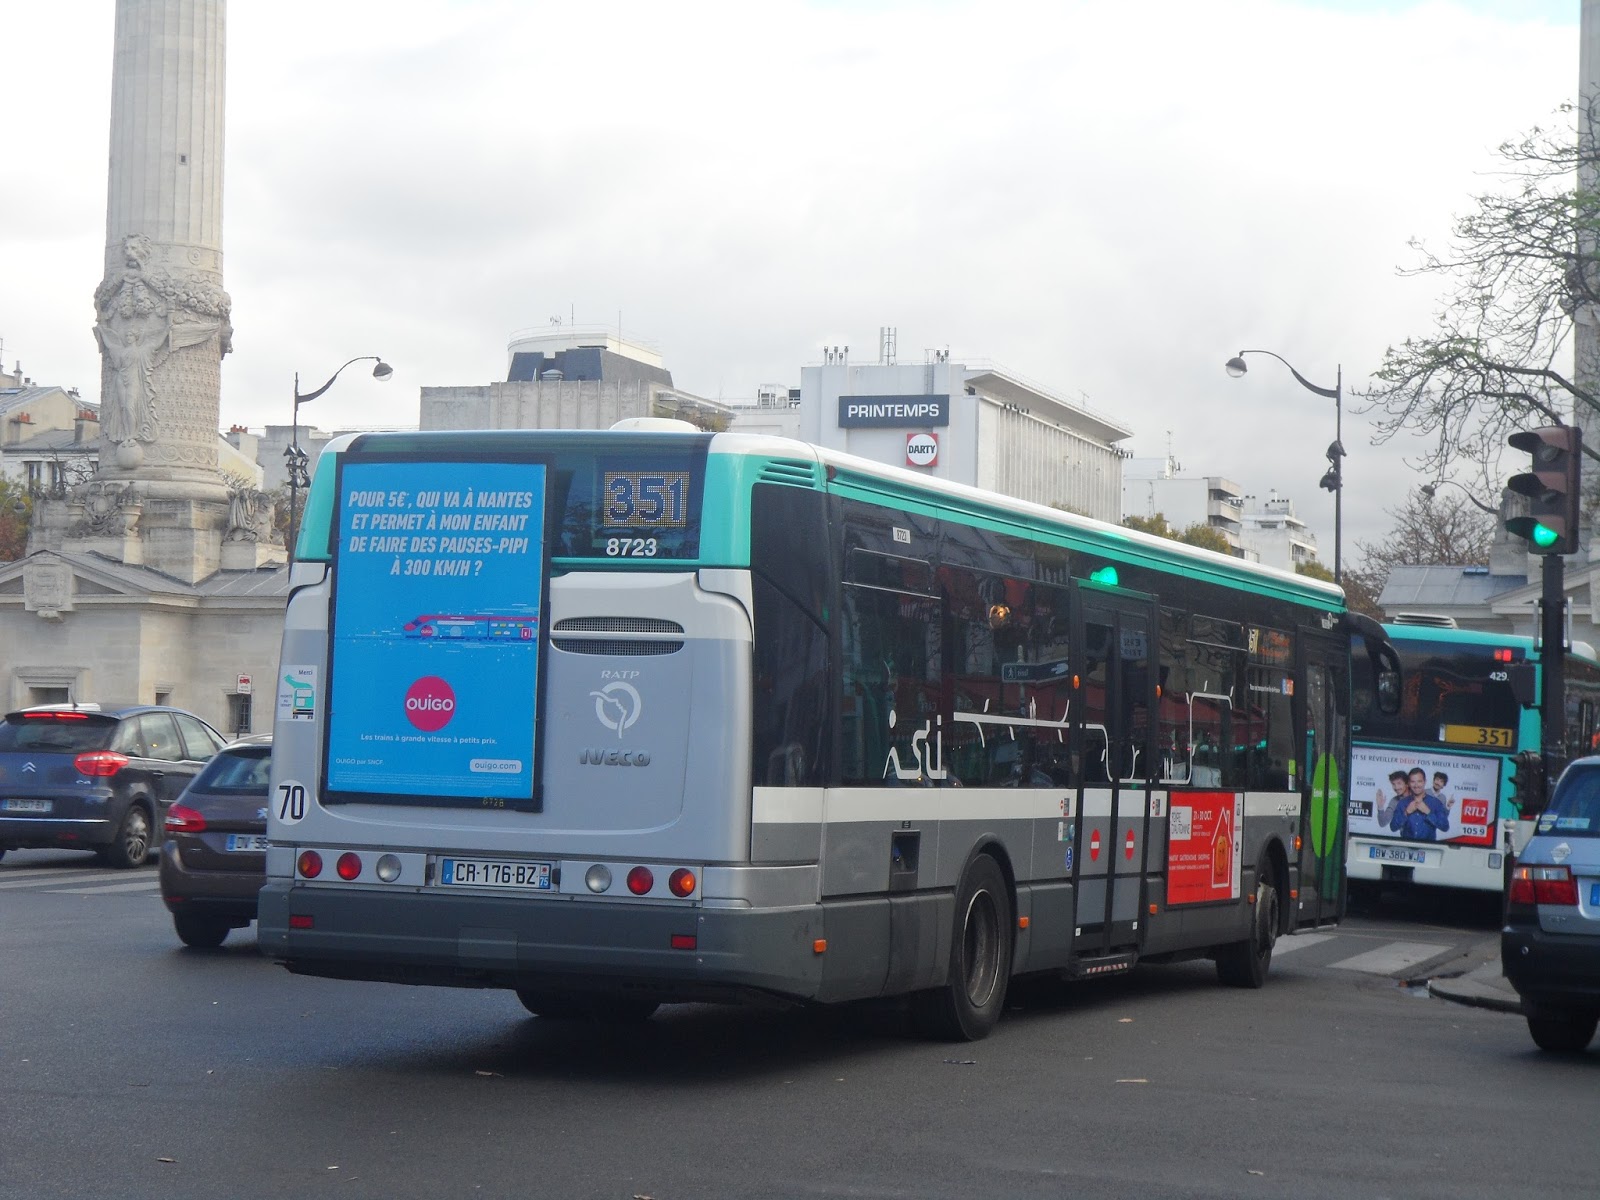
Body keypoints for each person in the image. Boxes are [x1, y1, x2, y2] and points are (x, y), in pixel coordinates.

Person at [1391, 767, 1450, 840]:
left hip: (1428, 846)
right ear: (1408, 783)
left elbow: (1445, 827)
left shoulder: (1436, 803)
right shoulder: (1402, 803)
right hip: (1407, 846)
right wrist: (1406, 812)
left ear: (1425, 782)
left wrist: (1428, 812)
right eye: (1413, 782)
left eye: (1419, 781)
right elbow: (1393, 827)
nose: (1416, 785)